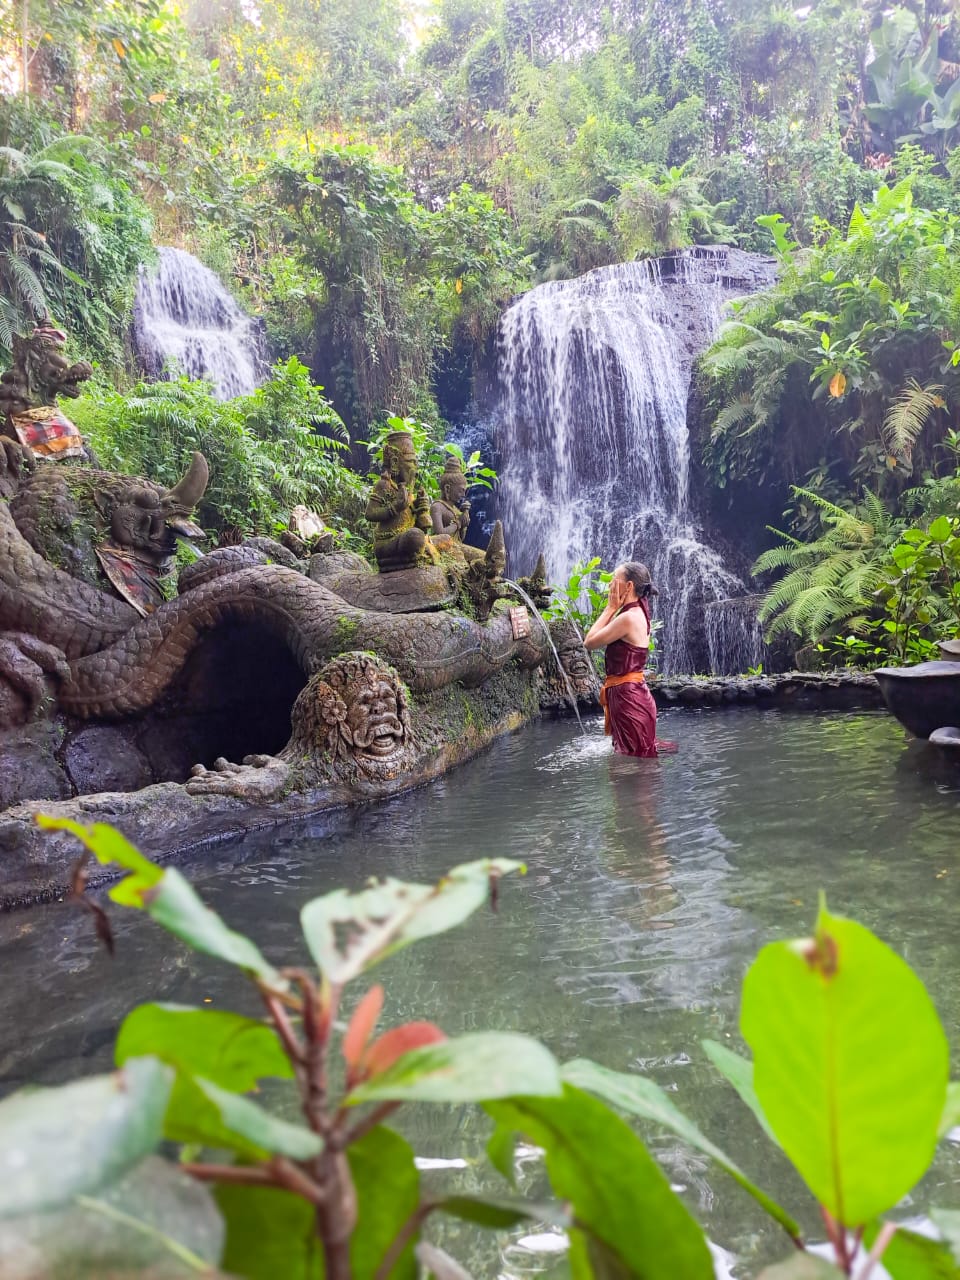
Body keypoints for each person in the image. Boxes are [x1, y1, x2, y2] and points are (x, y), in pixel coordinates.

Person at [584, 561, 674, 758]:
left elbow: (589, 642)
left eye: (614, 581)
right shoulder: (639, 612)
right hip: (630, 696)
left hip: (628, 699)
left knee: (631, 766)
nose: (610, 586)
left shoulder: (628, 618)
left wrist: (609, 608)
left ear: (629, 586)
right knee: (633, 763)